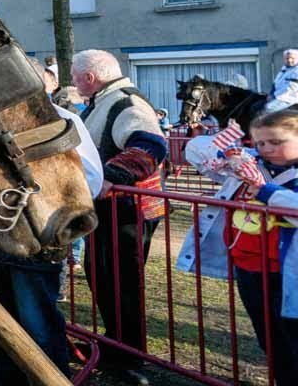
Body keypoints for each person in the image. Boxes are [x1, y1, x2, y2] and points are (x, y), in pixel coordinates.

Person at [0, 60, 103, 386]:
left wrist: (42, 203)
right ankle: (7, 380)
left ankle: (50, 380)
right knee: (0, 321)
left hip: (37, 241)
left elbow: (90, 181)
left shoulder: (63, 120)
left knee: (38, 323)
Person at [176, 111, 298, 382]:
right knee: (269, 338)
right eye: (260, 142)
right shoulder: (247, 166)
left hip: (288, 274)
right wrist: (229, 144)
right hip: (249, 268)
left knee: (292, 340)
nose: (266, 149)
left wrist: (265, 190)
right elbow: (196, 151)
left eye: (276, 142)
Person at [72, 49, 168, 386]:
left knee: (122, 280)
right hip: (109, 208)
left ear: (90, 77)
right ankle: (115, 343)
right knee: (102, 275)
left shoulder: (126, 103)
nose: (71, 80)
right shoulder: (104, 100)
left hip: (128, 210)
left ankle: (129, 356)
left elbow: (150, 145)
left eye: (74, 75)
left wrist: (112, 176)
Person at [264, 48, 298, 114]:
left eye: (292, 58)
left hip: (290, 98)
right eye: (287, 58)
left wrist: (274, 96)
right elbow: (276, 83)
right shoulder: (284, 69)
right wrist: (271, 94)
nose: (289, 60)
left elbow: (291, 88)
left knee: (269, 108)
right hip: (279, 96)